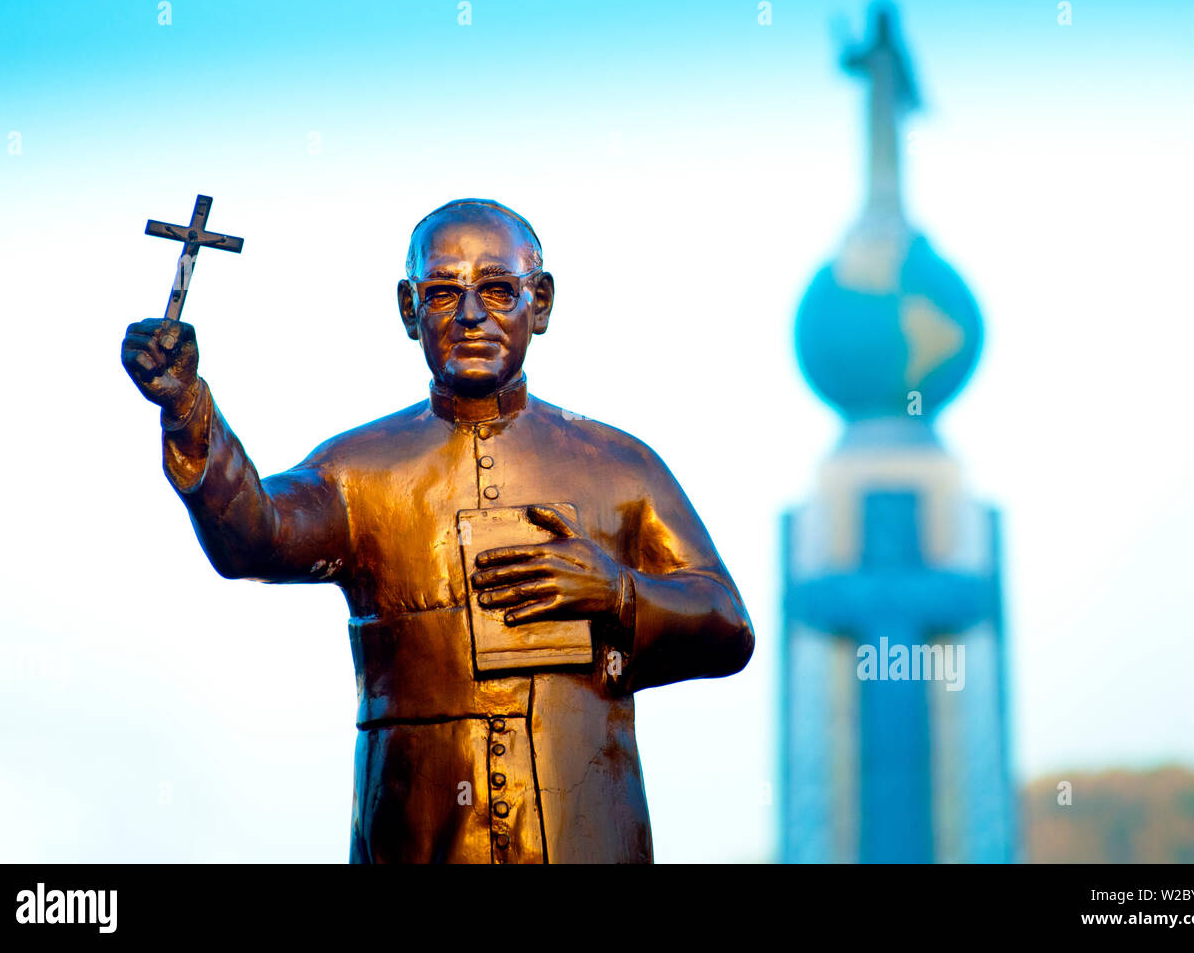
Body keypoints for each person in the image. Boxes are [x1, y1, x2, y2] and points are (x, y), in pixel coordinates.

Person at [121, 198, 754, 863]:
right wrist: (189, 409)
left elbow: (728, 623)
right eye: (445, 292)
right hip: (419, 839)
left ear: (540, 303)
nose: (472, 315)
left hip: (586, 832)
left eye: (498, 290)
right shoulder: (359, 471)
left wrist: (617, 592)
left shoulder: (621, 466)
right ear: (408, 308)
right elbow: (254, 535)